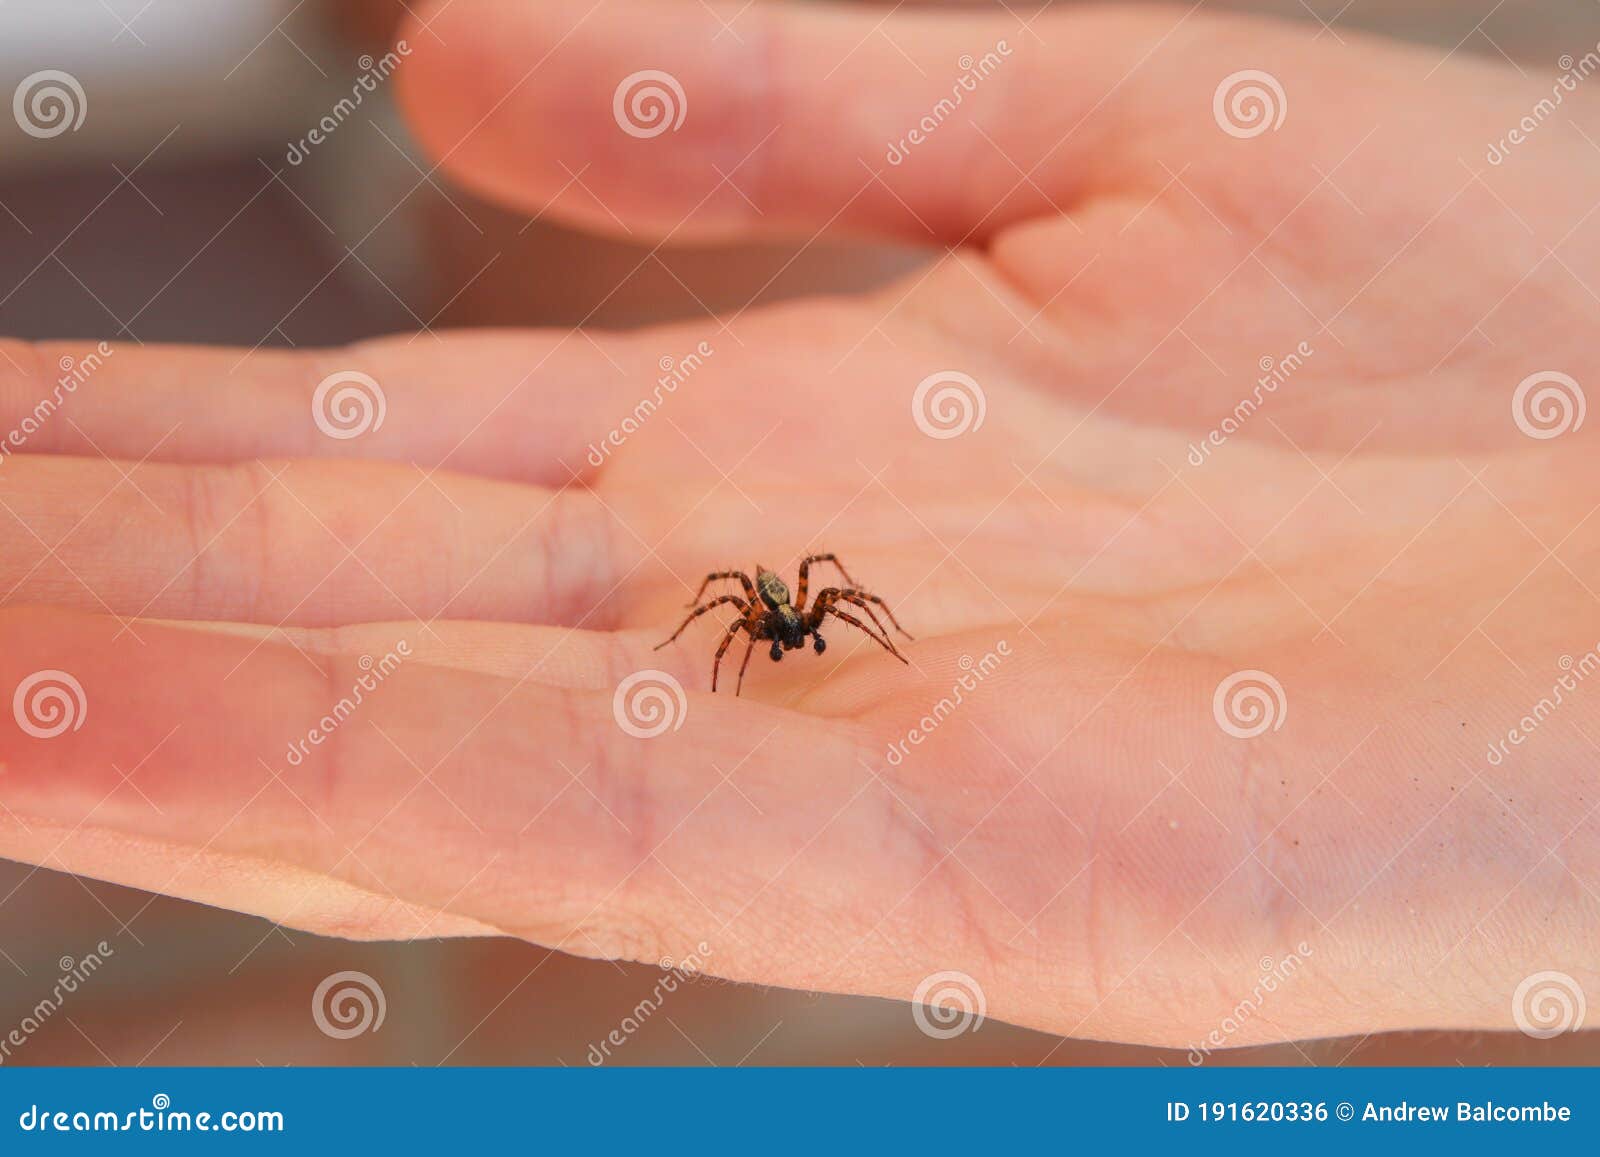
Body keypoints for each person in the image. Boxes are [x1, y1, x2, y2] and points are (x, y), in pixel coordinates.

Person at [1, 0, 1595, 1050]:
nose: (785, 616)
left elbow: (822, 590)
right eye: (780, 617)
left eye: (794, 616)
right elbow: (732, 597)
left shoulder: (815, 601)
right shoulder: (746, 602)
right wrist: (727, 641)